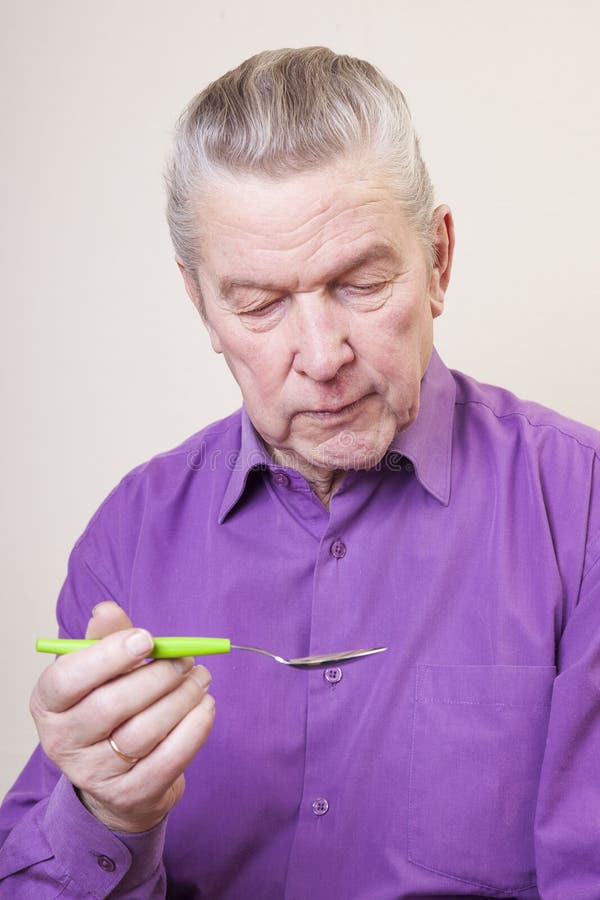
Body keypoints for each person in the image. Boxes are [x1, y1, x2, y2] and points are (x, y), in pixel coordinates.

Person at [1, 46, 599, 900]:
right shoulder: (130, 539)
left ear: (438, 260)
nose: (321, 358)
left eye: (360, 283)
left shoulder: (580, 510)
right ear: (201, 305)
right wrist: (106, 816)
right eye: (258, 304)